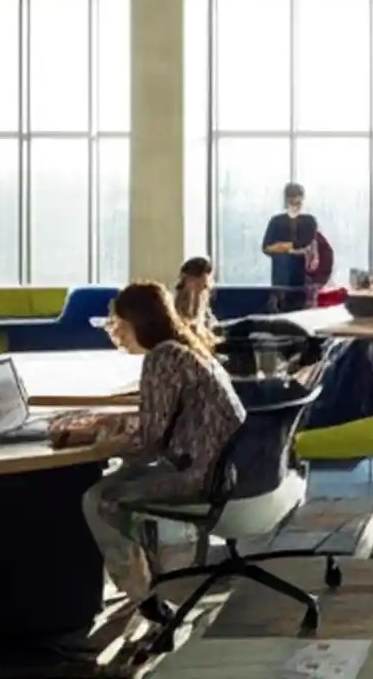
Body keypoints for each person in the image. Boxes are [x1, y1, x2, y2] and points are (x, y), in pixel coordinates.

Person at [55, 281, 245, 620]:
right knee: (119, 479)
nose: (114, 332)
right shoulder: (185, 349)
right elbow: (157, 420)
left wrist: (94, 438)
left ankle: (144, 598)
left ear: (137, 321)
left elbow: (148, 441)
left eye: (117, 322)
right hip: (216, 466)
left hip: (196, 476)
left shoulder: (162, 358)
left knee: (99, 499)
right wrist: (105, 422)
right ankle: (146, 579)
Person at [262, 182, 319, 310]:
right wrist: (291, 248)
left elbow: (306, 243)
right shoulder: (276, 221)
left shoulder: (309, 220)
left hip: (302, 277)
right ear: (286, 199)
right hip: (280, 279)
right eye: (292, 199)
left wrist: (283, 246)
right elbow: (266, 247)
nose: (295, 203)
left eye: (298, 199)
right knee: (281, 308)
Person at [175, 256, 217, 348]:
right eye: (198, 286)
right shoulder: (175, 308)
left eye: (205, 288)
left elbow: (213, 327)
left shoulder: (204, 306)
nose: (202, 293)